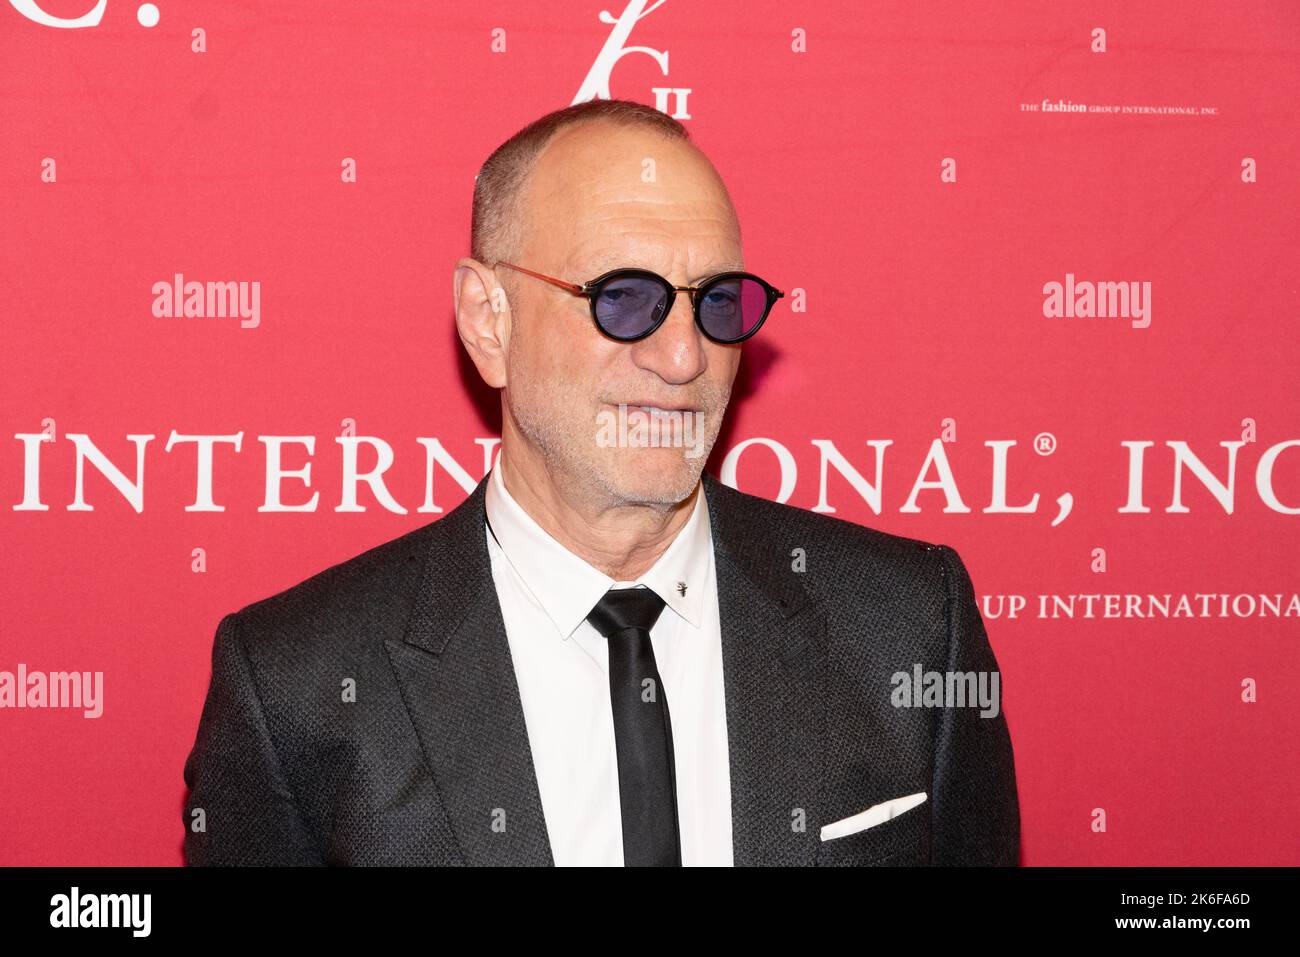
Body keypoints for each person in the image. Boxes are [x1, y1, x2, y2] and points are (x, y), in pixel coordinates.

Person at [182, 97, 1020, 866]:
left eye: (716, 302)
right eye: (625, 299)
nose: (685, 356)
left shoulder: (908, 627)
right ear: (488, 322)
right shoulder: (297, 685)